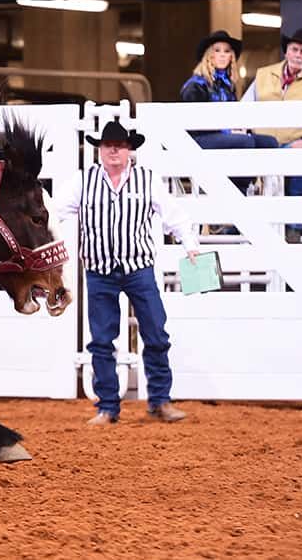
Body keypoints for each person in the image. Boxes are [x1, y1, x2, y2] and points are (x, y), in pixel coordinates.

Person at [55, 121, 199, 426]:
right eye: (108, 146)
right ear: (100, 150)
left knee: (156, 333)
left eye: (119, 146)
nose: (114, 152)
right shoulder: (83, 181)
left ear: (129, 150)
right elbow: (54, 212)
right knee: (102, 340)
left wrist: (191, 245)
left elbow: (176, 216)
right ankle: (107, 406)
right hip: (99, 270)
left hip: (139, 268)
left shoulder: (148, 181)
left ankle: (160, 401)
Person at [241, 29, 302, 241]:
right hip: (263, 142)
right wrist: (244, 130)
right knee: (247, 171)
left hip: (295, 143)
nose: (298, 54)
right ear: (286, 51)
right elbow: (245, 106)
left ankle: (294, 228)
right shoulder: (264, 74)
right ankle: (251, 228)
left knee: (301, 164)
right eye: (294, 49)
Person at [179, 30, 278, 194]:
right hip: (200, 138)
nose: (222, 55)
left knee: (269, 142)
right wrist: (228, 129)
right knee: (245, 142)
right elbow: (195, 123)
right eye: (217, 50)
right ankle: (237, 190)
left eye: (227, 51)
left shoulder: (227, 85)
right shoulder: (196, 84)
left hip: (223, 135)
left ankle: (265, 189)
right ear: (209, 55)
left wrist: (239, 127)